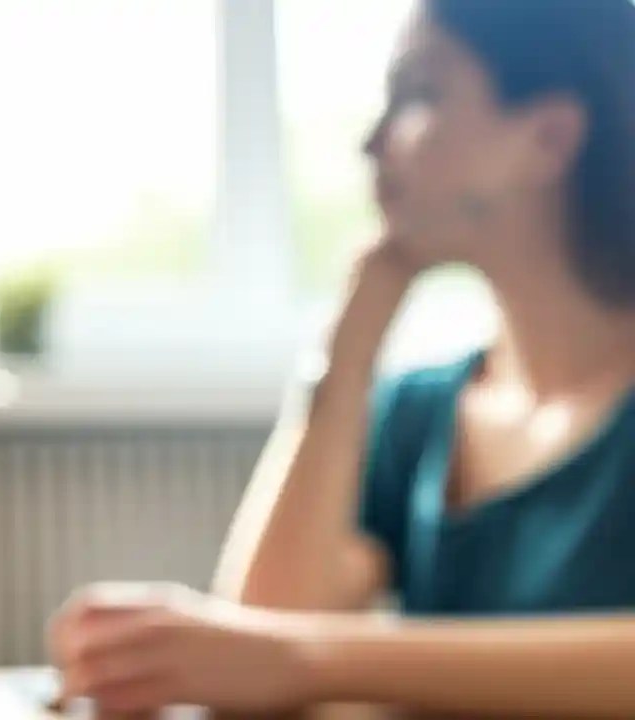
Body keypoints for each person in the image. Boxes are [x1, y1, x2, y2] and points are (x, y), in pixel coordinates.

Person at [48, 0, 635, 715]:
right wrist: (351, 337)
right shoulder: (423, 413)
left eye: (420, 95)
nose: (374, 143)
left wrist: (315, 658)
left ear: (548, 136)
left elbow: (279, 654)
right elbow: (265, 626)